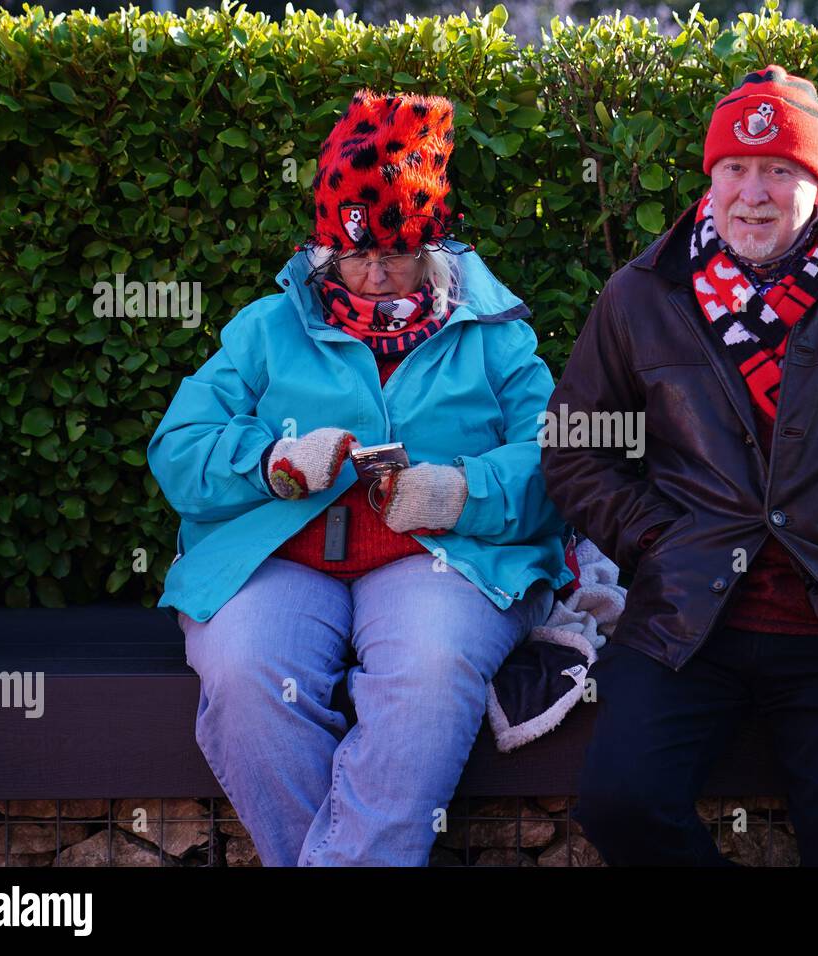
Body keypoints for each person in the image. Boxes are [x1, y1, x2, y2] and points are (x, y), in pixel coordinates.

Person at [540, 65, 818, 866]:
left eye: (780, 170)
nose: (754, 193)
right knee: (620, 804)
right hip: (684, 620)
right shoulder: (641, 294)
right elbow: (574, 446)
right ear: (710, 178)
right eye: (735, 169)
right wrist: (655, 538)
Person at [147, 88, 572, 866]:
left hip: (443, 556)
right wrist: (271, 465)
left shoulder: (497, 334)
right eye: (355, 253)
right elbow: (180, 448)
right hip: (276, 554)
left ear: (435, 242)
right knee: (246, 677)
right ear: (323, 245)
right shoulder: (266, 327)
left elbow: (557, 460)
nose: (375, 276)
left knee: (430, 668)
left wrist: (458, 491)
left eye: (397, 253)